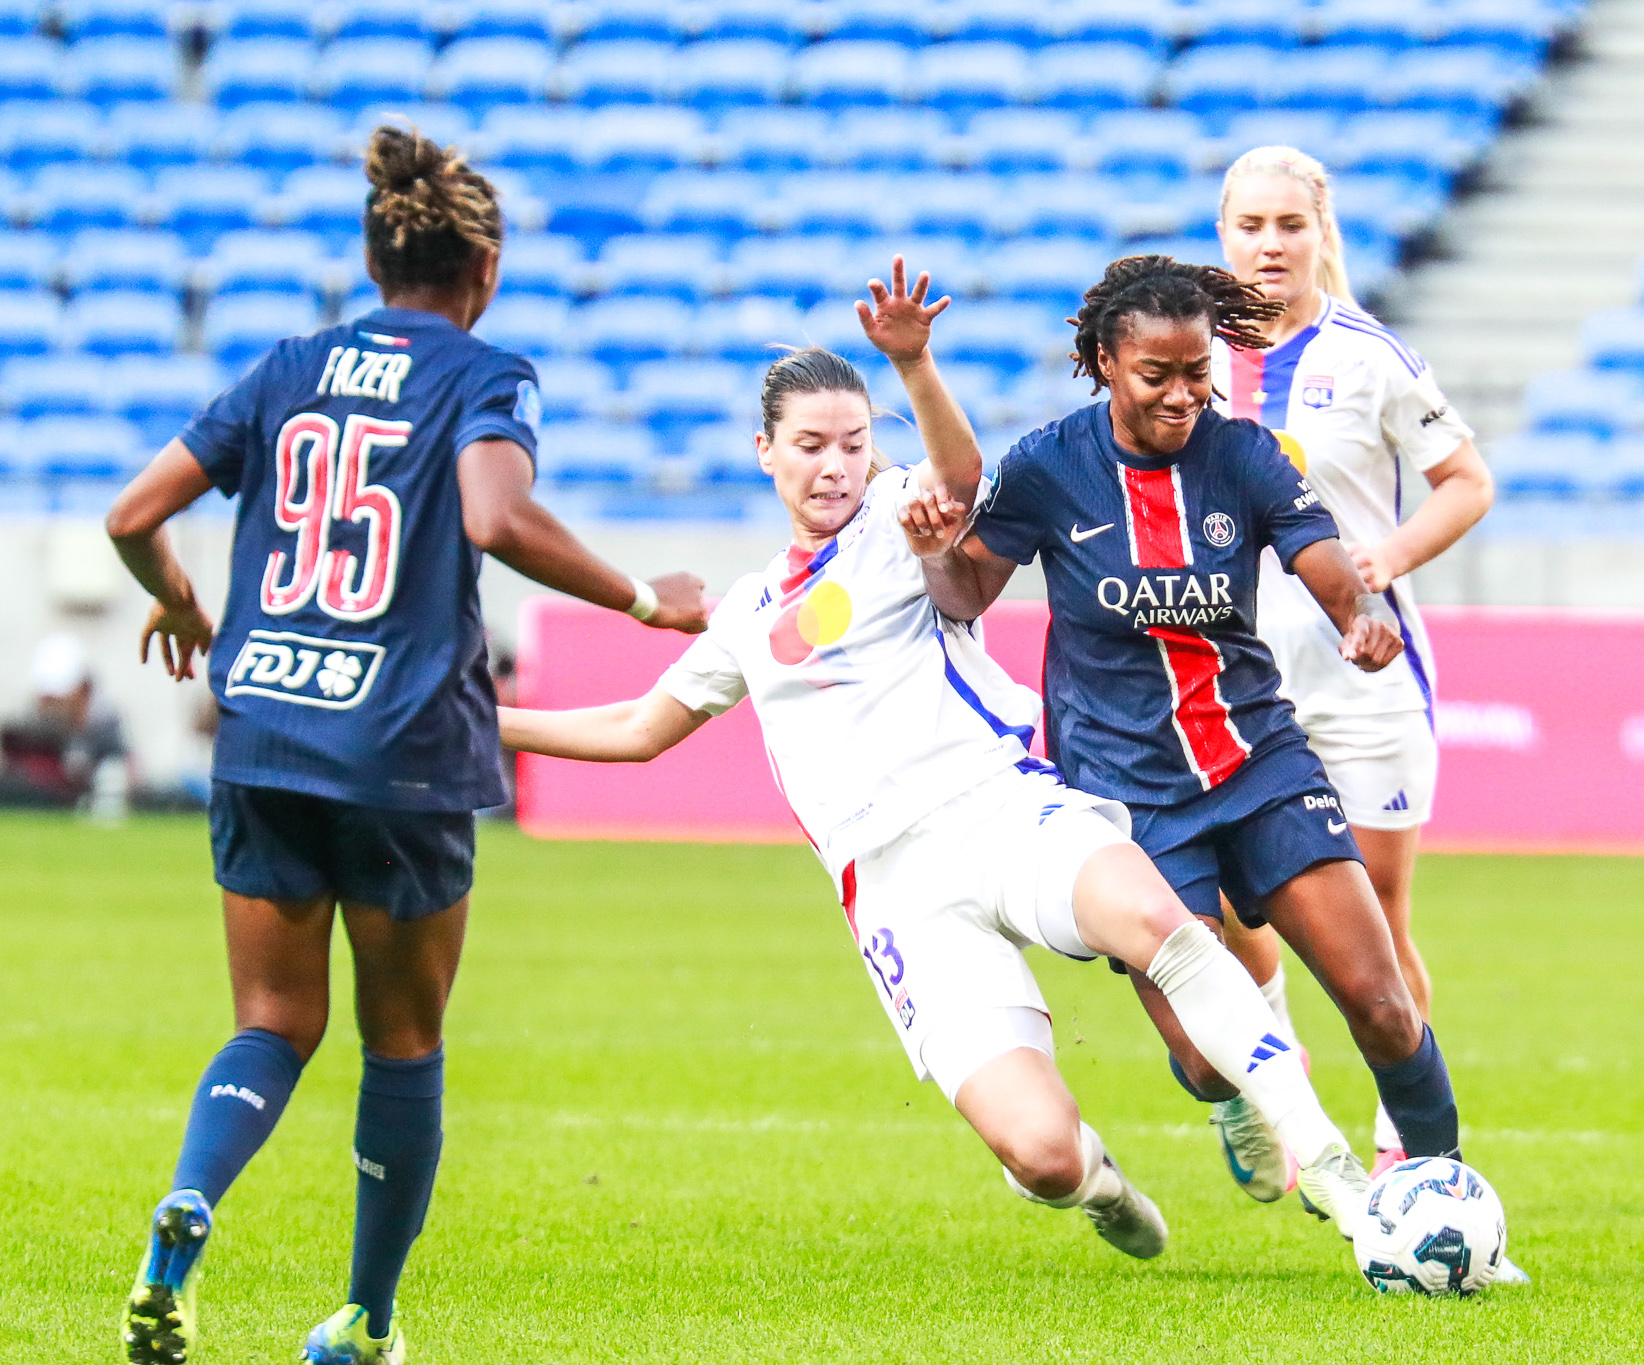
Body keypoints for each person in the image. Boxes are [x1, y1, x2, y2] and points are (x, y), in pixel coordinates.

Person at [499, 259, 1395, 1276]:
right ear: (764, 454)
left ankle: (1331, 1172)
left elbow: (963, 481)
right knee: (1040, 1154)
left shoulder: (898, 515)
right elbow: (636, 727)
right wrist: (486, 723)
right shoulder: (746, 616)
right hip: (893, 888)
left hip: (1000, 808)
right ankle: (1097, 1182)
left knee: (1165, 929)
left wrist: (914, 364)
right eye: (809, 447)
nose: (835, 466)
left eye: (853, 442)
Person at [103, 126, 706, 1365]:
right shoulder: (484, 372)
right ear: (479, 269)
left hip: (264, 723)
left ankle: (193, 1204)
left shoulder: (289, 365)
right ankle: (365, 1321)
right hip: (402, 747)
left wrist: (176, 595)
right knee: (404, 1041)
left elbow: (131, 514)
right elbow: (492, 511)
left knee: (271, 1020)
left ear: (377, 258)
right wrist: (645, 600)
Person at [902, 253, 1478, 1232]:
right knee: (1207, 1063)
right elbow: (964, 594)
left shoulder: (1246, 454)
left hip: (1258, 764)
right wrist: (929, 547)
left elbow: (1320, 559)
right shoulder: (1046, 466)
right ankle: (1242, 1091)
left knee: (1380, 1003)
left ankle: (1444, 1197)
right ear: (1100, 365)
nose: (1181, 395)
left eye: (1196, 371)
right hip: (1125, 800)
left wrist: (1358, 615)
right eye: (1154, 375)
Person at [1209, 146, 1496, 1165]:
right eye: (1250, 226)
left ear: (1320, 233)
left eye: (1289, 225)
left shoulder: (1369, 355)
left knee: (1375, 920)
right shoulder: (1184, 357)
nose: (1270, 244)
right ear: (1222, 236)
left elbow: (1465, 481)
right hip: (1227, 687)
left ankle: (1402, 1155)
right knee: (1222, 907)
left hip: (1361, 679)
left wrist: (1385, 553)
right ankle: (1260, 1061)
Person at [0, 634, 129, 809]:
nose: (53, 705)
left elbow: (128, 772)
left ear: (83, 689)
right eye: (47, 698)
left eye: (59, 697)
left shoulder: (105, 731)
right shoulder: (25, 735)